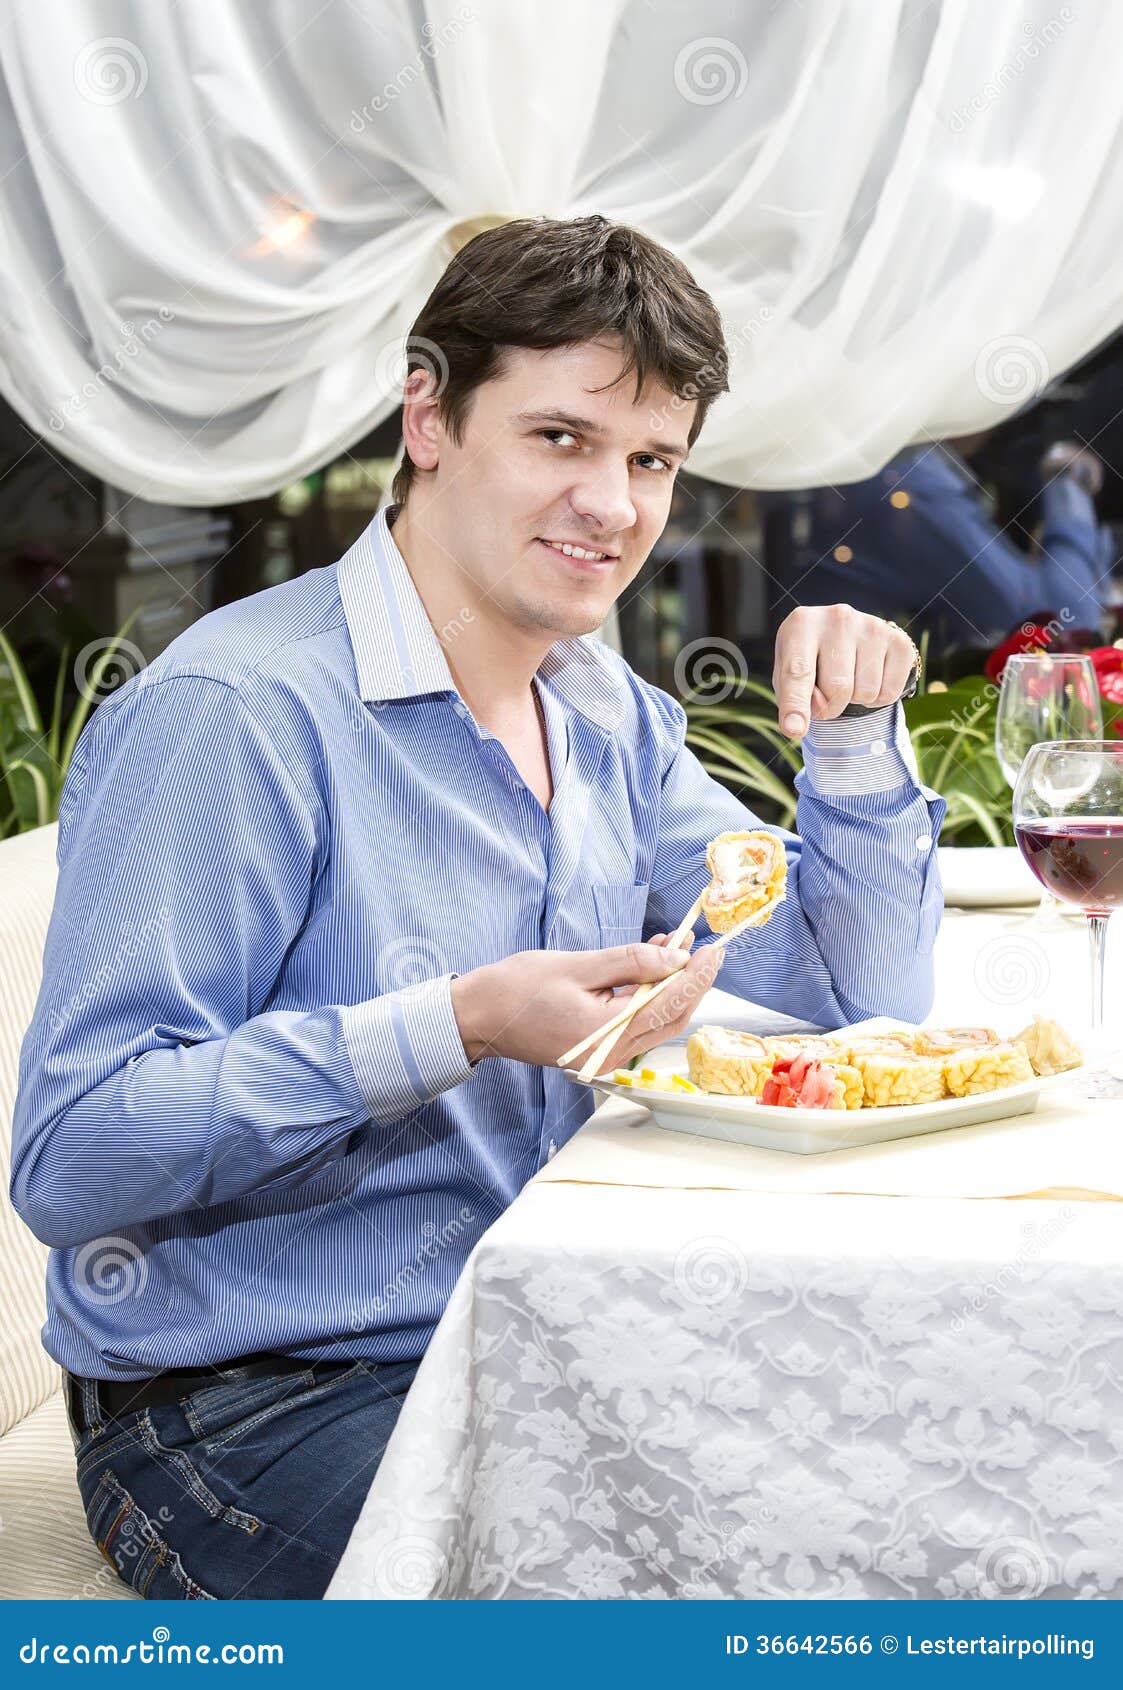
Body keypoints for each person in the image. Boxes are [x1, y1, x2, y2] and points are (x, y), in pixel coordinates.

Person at [10, 215, 945, 1600]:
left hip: (518, 1331)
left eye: (648, 461)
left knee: (889, 1503)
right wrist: (451, 1023)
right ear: (429, 415)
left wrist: (857, 740)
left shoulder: (601, 707)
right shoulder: (241, 714)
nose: (613, 505)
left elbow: (854, 989)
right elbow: (73, 1157)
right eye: (559, 438)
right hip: (246, 1412)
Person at [768, 434, 1109, 653]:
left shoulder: (870, 460)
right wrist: (1069, 480)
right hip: (840, 737)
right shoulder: (906, 484)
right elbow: (1066, 626)